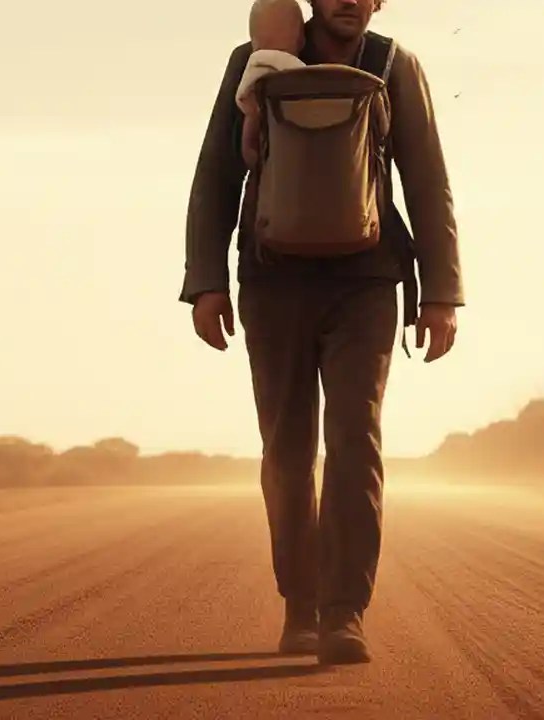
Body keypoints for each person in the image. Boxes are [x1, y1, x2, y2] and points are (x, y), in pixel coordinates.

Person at [180, 0, 464, 665]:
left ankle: (343, 614)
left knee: (353, 441)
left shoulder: (395, 66)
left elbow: (427, 182)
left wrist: (441, 294)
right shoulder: (255, 59)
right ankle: (299, 606)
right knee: (285, 450)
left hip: (366, 285)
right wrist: (206, 280)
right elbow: (215, 176)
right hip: (271, 280)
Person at [236, 0, 307, 169]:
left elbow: (251, 120)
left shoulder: (254, 71)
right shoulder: (298, 70)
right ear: (301, 40)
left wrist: (252, 157)